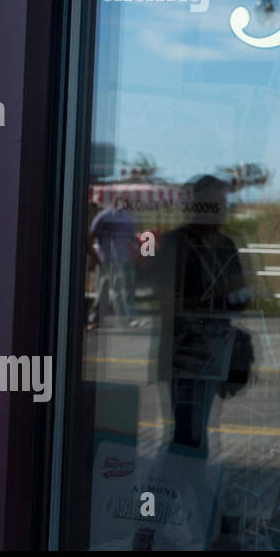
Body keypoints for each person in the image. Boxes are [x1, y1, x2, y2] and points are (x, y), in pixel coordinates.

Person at [152, 175, 250, 453]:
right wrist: (218, 292)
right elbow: (167, 302)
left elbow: (241, 297)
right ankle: (181, 476)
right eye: (217, 204)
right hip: (184, 352)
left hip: (215, 351)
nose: (224, 210)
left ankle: (187, 475)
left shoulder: (225, 245)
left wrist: (235, 295)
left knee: (200, 430)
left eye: (224, 203)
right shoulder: (176, 244)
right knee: (188, 434)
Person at [88, 199, 137, 330]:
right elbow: (91, 234)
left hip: (121, 258)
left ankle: (95, 317)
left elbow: (131, 236)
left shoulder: (125, 217)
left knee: (106, 286)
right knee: (117, 288)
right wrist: (93, 257)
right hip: (108, 258)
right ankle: (125, 319)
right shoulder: (104, 216)